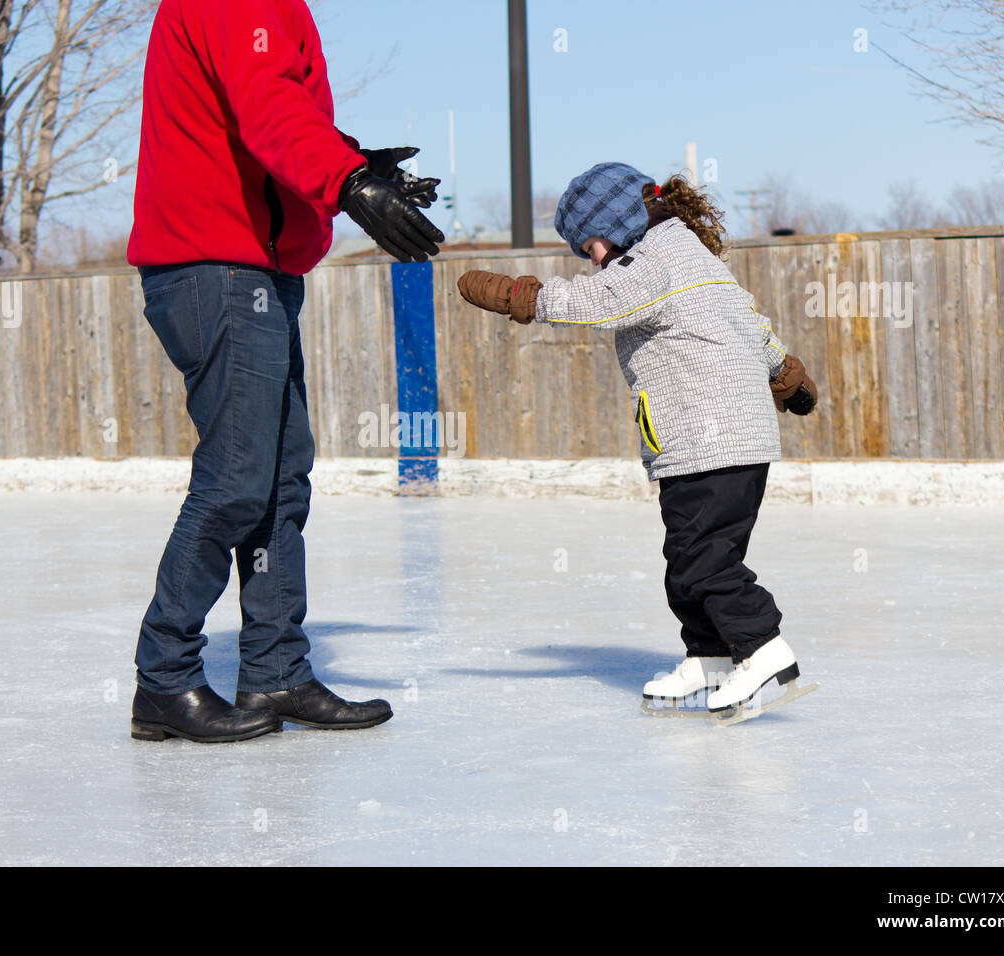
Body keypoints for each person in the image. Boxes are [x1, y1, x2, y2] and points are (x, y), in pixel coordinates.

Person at [126, 0, 444, 743]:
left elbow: (272, 107)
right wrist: (348, 184)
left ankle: (273, 670)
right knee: (238, 476)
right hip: (216, 264)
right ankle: (164, 676)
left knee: (277, 477)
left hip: (250, 264)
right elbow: (266, 106)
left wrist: (353, 160)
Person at [454, 163, 819, 722]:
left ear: (619, 222)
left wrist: (519, 297)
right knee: (689, 557)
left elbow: (598, 304)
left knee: (704, 559)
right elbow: (752, 323)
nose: (592, 257)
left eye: (590, 244)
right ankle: (711, 657)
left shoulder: (652, 261)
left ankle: (764, 647)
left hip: (710, 436)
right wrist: (786, 373)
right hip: (715, 440)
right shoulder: (689, 255)